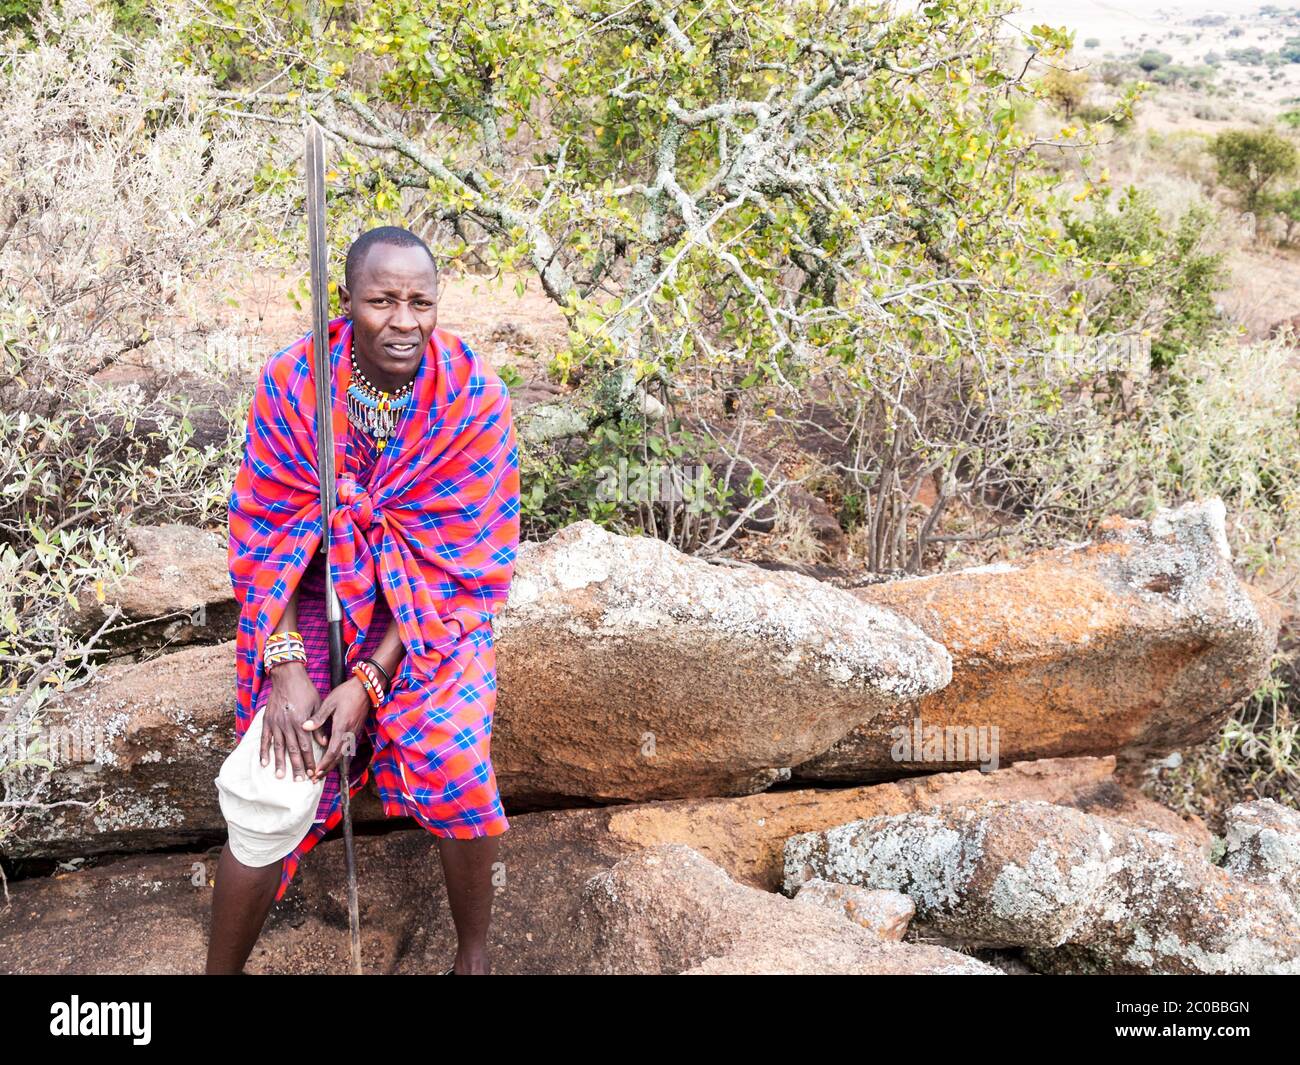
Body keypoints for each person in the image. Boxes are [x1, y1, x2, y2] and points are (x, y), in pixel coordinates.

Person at [207, 226, 520, 975]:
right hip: (313, 586)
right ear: (346, 301)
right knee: (273, 780)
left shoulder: (471, 395)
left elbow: (464, 567)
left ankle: (473, 958)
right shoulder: (295, 380)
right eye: (383, 300)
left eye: (421, 301)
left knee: (454, 756)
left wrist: (370, 681)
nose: (404, 320)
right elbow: (264, 529)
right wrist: (286, 666)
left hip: (427, 608)